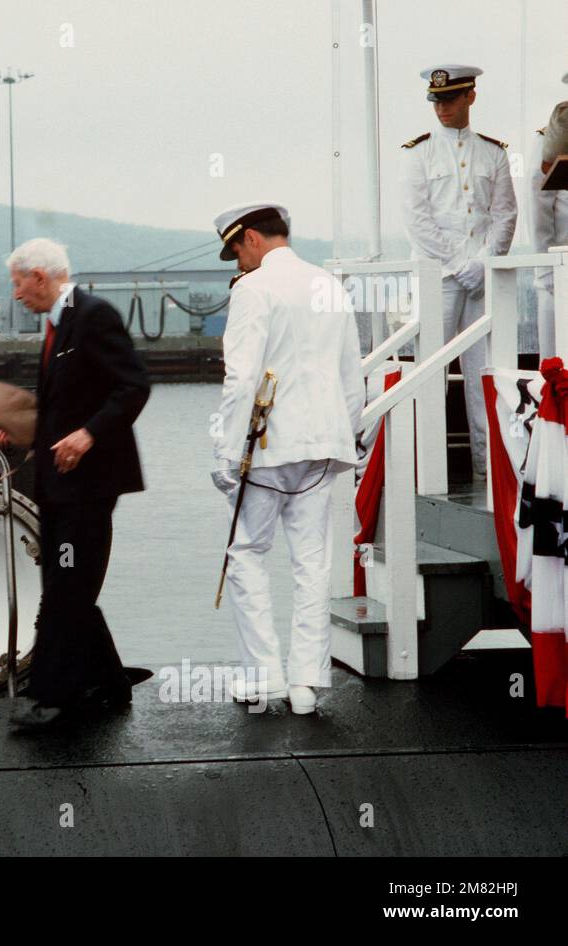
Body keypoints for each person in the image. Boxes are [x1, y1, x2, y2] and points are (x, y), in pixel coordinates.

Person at [211, 203, 364, 716]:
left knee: (247, 552)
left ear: (251, 238)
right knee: (312, 560)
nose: (237, 262)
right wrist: (348, 437)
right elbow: (351, 377)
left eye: (236, 250)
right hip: (322, 444)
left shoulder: (253, 291)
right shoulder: (329, 284)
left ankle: (263, 679)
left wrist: (226, 452)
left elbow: (241, 378)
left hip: (268, 444)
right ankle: (305, 683)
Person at [0, 238, 151, 728]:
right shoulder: (59, 325)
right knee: (67, 582)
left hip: (89, 483)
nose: (16, 295)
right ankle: (108, 680)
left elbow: (133, 386)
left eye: (18, 284)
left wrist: (87, 436)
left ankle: (52, 696)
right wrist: (24, 432)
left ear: (40, 277)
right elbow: (67, 399)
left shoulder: (94, 316)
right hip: (59, 482)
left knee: (66, 585)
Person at [400, 64, 518, 479]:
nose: (442, 108)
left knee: (484, 374)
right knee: (430, 370)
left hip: (482, 280)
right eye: (436, 100)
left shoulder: (494, 152)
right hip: (439, 278)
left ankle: (490, 472)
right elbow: (417, 221)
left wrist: (484, 263)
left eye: (450, 99)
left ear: (470, 96)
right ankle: (425, 474)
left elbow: (505, 214)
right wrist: (458, 264)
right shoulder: (418, 153)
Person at [531, 79, 568, 357]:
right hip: (559, 267)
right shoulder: (553, 137)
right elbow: (540, 206)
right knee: (555, 364)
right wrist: (546, 266)